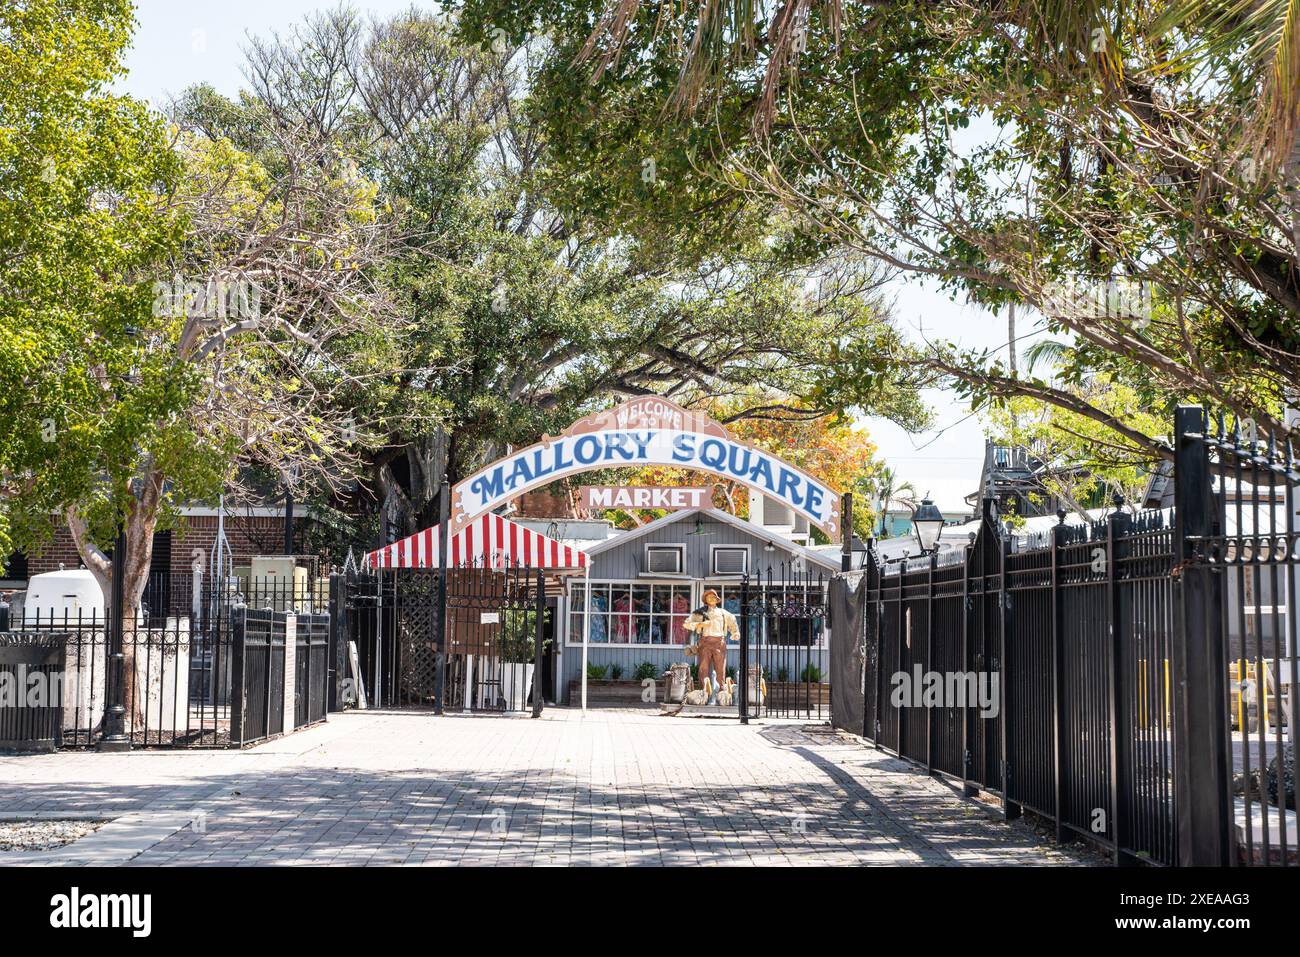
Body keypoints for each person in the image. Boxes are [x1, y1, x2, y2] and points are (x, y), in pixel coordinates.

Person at [685, 589, 738, 705]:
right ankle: (705, 692)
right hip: (705, 642)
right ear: (705, 600)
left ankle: (720, 693)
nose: (711, 599)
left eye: (713, 597)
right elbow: (687, 623)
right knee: (703, 668)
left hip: (719, 642)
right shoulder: (700, 613)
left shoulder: (723, 613)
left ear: (717, 599)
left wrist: (735, 632)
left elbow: (733, 622)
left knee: (720, 668)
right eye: (708, 597)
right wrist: (700, 624)